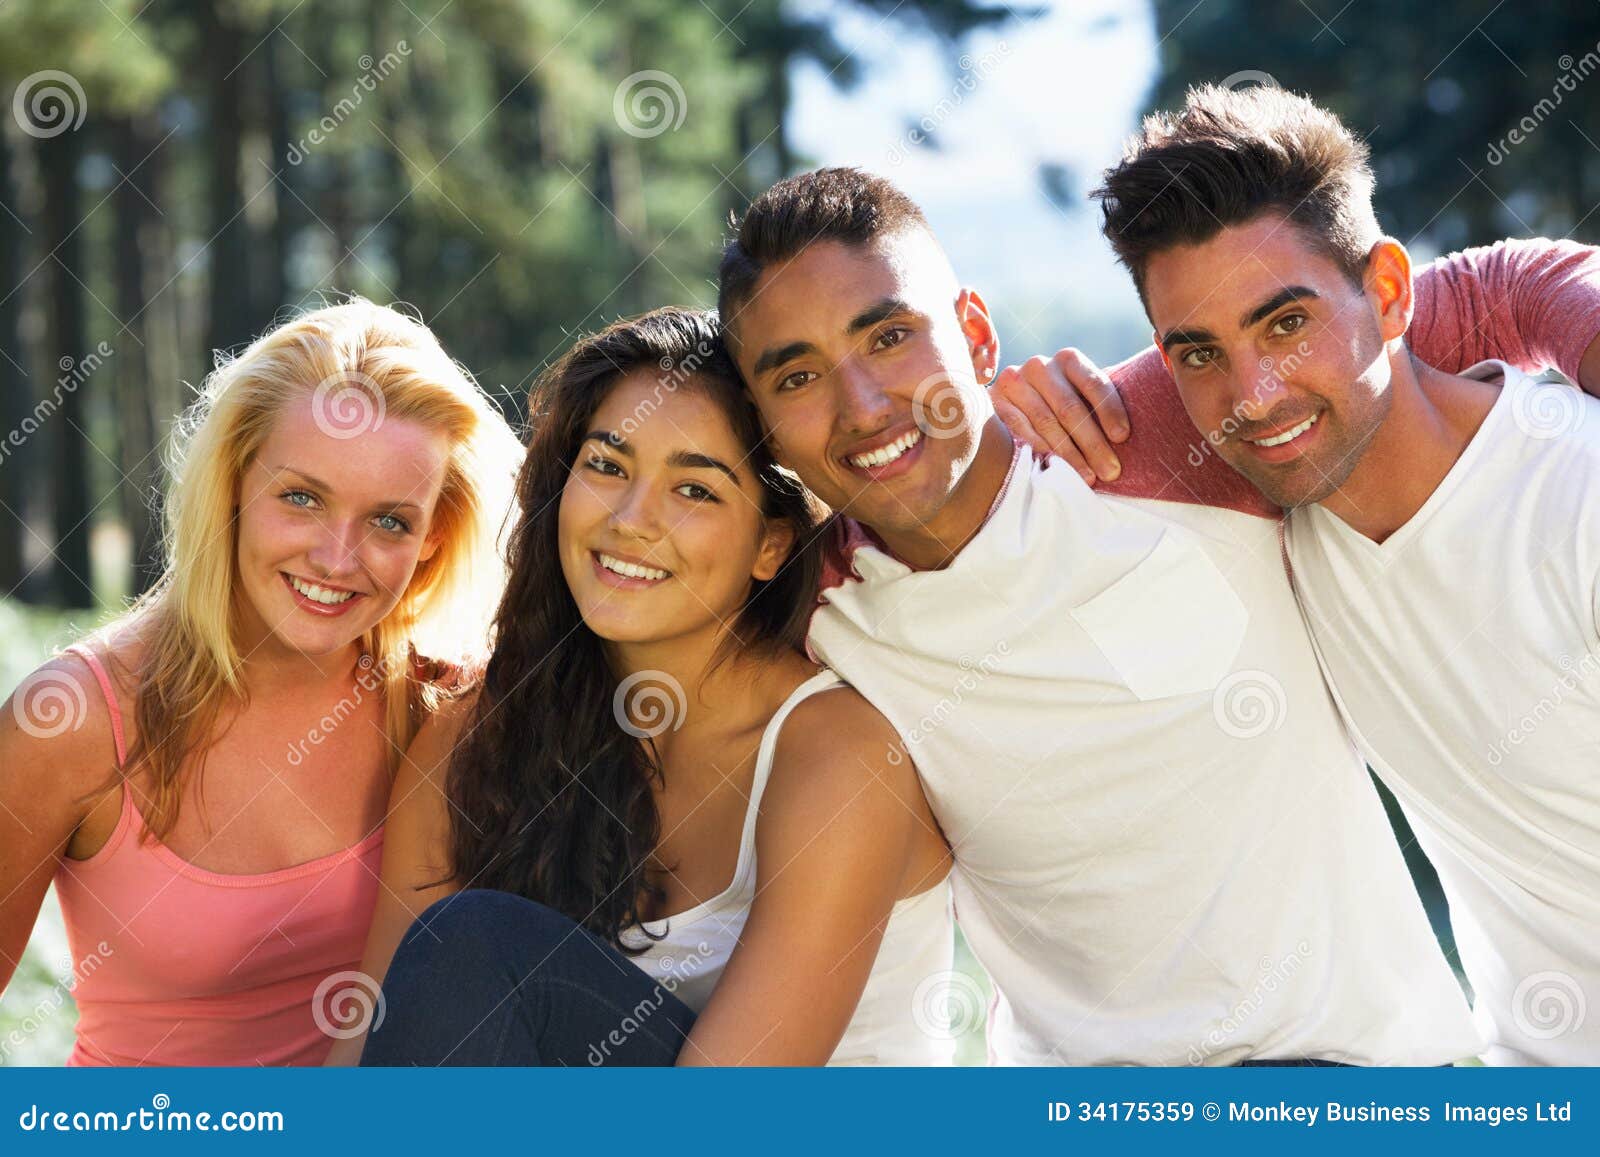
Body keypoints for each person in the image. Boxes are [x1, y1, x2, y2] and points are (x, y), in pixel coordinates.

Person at [716, 164, 1600, 1065]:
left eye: (892, 337)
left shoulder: (1163, 434)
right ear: (762, 425)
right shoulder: (809, 617)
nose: (862, 407)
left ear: (976, 335)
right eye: (797, 377)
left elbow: (1426, 307)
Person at [1008, 83, 1600, 1064]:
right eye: (1198, 352)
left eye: (1286, 324)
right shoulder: (1266, 525)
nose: (1254, 395)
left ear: (1392, 294)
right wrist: (1014, 431)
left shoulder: (1572, 494)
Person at [351, 307, 954, 1067]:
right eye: (606, 465)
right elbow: (375, 1054)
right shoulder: (478, 737)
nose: (632, 519)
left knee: (480, 945)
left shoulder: (839, 754)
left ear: (771, 545)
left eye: (695, 490)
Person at [0, 299, 523, 1065]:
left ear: (433, 537)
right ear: (235, 484)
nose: (337, 560)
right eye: (302, 497)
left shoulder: (443, 710)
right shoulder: (76, 718)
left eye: (389, 521)